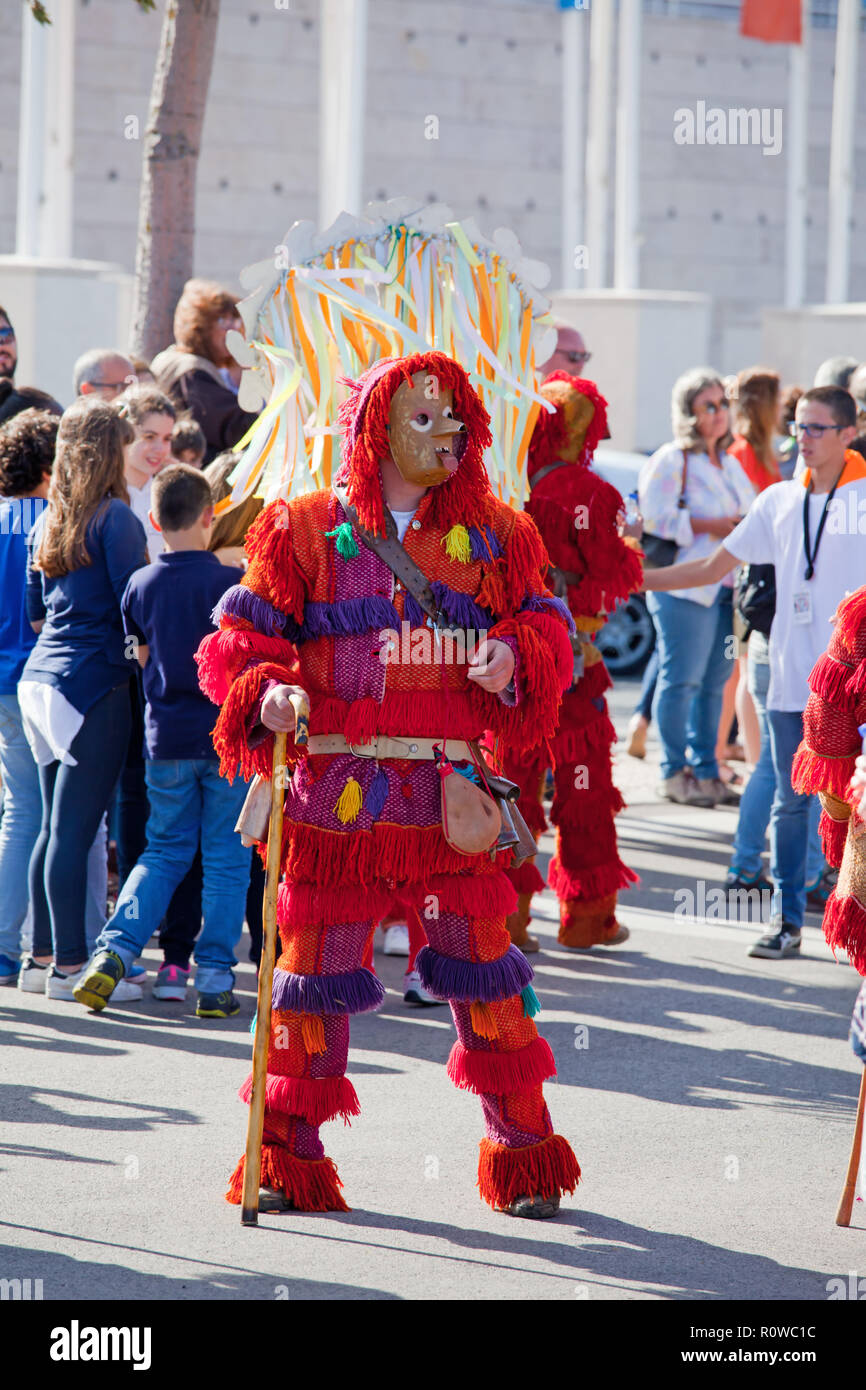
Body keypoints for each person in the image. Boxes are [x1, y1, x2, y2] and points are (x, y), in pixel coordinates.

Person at [194, 350, 579, 1219]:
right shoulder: (300, 528)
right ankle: (285, 1158)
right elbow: (235, 644)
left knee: (486, 975)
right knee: (311, 983)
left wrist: (514, 651)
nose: (450, 431)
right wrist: (272, 689)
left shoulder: (498, 532)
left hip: (450, 801)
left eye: (455, 418)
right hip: (333, 799)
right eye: (423, 418)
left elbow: (548, 625)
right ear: (373, 434)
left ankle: (525, 1155)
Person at [643, 385, 866, 960]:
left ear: (848, 433)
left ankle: (851, 922)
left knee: (855, 807)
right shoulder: (776, 501)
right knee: (791, 802)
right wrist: (633, 577)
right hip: (794, 683)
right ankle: (786, 920)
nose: (803, 440)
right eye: (798, 428)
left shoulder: (864, 500)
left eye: (817, 429)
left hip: (854, 688)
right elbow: (711, 567)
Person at [74, 465, 250, 1018]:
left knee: (163, 851)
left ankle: (115, 950)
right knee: (226, 859)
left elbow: (142, 657)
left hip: (165, 739)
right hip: (225, 741)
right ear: (210, 515)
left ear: (154, 521)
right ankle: (216, 978)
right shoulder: (232, 586)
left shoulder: (139, 585)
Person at [502, 373, 642, 951]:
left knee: (513, 780)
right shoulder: (591, 492)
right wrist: (629, 546)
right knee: (583, 786)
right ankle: (587, 919)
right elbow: (613, 576)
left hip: (514, 656)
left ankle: (507, 921)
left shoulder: (507, 483)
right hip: (574, 657)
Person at [16, 398, 146, 1000]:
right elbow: (135, 607)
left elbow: (37, 612)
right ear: (110, 448)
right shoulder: (116, 518)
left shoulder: (53, 517)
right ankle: (70, 965)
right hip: (92, 682)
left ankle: (42, 958)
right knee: (72, 828)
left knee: (53, 826)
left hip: (42, 681)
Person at [638, 368, 756, 807]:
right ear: (688, 412)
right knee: (682, 679)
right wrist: (710, 525)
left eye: (723, 404)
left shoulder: (727, 461)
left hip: (727, 589)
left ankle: (708, 770)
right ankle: (673, 771)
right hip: (684, 589)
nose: (720, 413)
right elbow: (653, 520)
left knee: (715, 681)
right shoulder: (673, 459)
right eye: (709, 405)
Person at [0, 410, 56, 984]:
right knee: (54, 820)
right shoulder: (58, 520)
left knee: (20, 814)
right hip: (44, 681)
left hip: (4, 682)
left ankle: (7, 946)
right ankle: (49, 945)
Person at [150, 280, 259, 464]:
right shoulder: (191, 371)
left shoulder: (177, 360)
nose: (233, 329)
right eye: (223, 321)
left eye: (235, 319)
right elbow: (235, 426)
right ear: (199, 326)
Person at [119, 387, 176, 561]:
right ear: (125, 434)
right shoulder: (103, 494)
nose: (160, 449)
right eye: (149, 437)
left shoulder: (171, 494)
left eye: (167, 439)